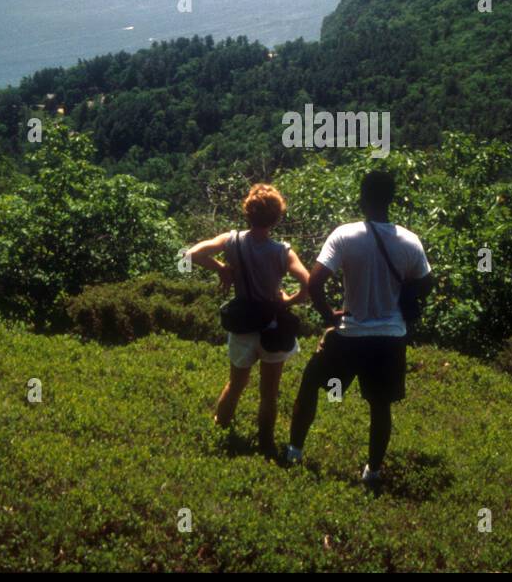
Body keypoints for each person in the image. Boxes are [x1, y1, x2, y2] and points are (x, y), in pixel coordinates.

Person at [282, 170, 433, 489]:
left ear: (362, 198)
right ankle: (372, 472)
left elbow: (315, 281)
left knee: (310, 385)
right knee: (380, 406)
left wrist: (328, 316)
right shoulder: (410, 241)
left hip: (349, 335)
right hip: (390, 338)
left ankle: (294, 451)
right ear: (391, 200)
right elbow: (425, 282)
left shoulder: (345, 235)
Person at [185, 184, 309, 456]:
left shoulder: (232, 241)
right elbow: (309, 285)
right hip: (272, 327)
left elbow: (192, 254)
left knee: (236, 383)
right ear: (276, 218)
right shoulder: (283, 251)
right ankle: (266, 444)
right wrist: (288, 301)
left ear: (247, 213)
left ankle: (220, 428)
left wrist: (222, 270)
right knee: (269, 393)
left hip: (242, 325)